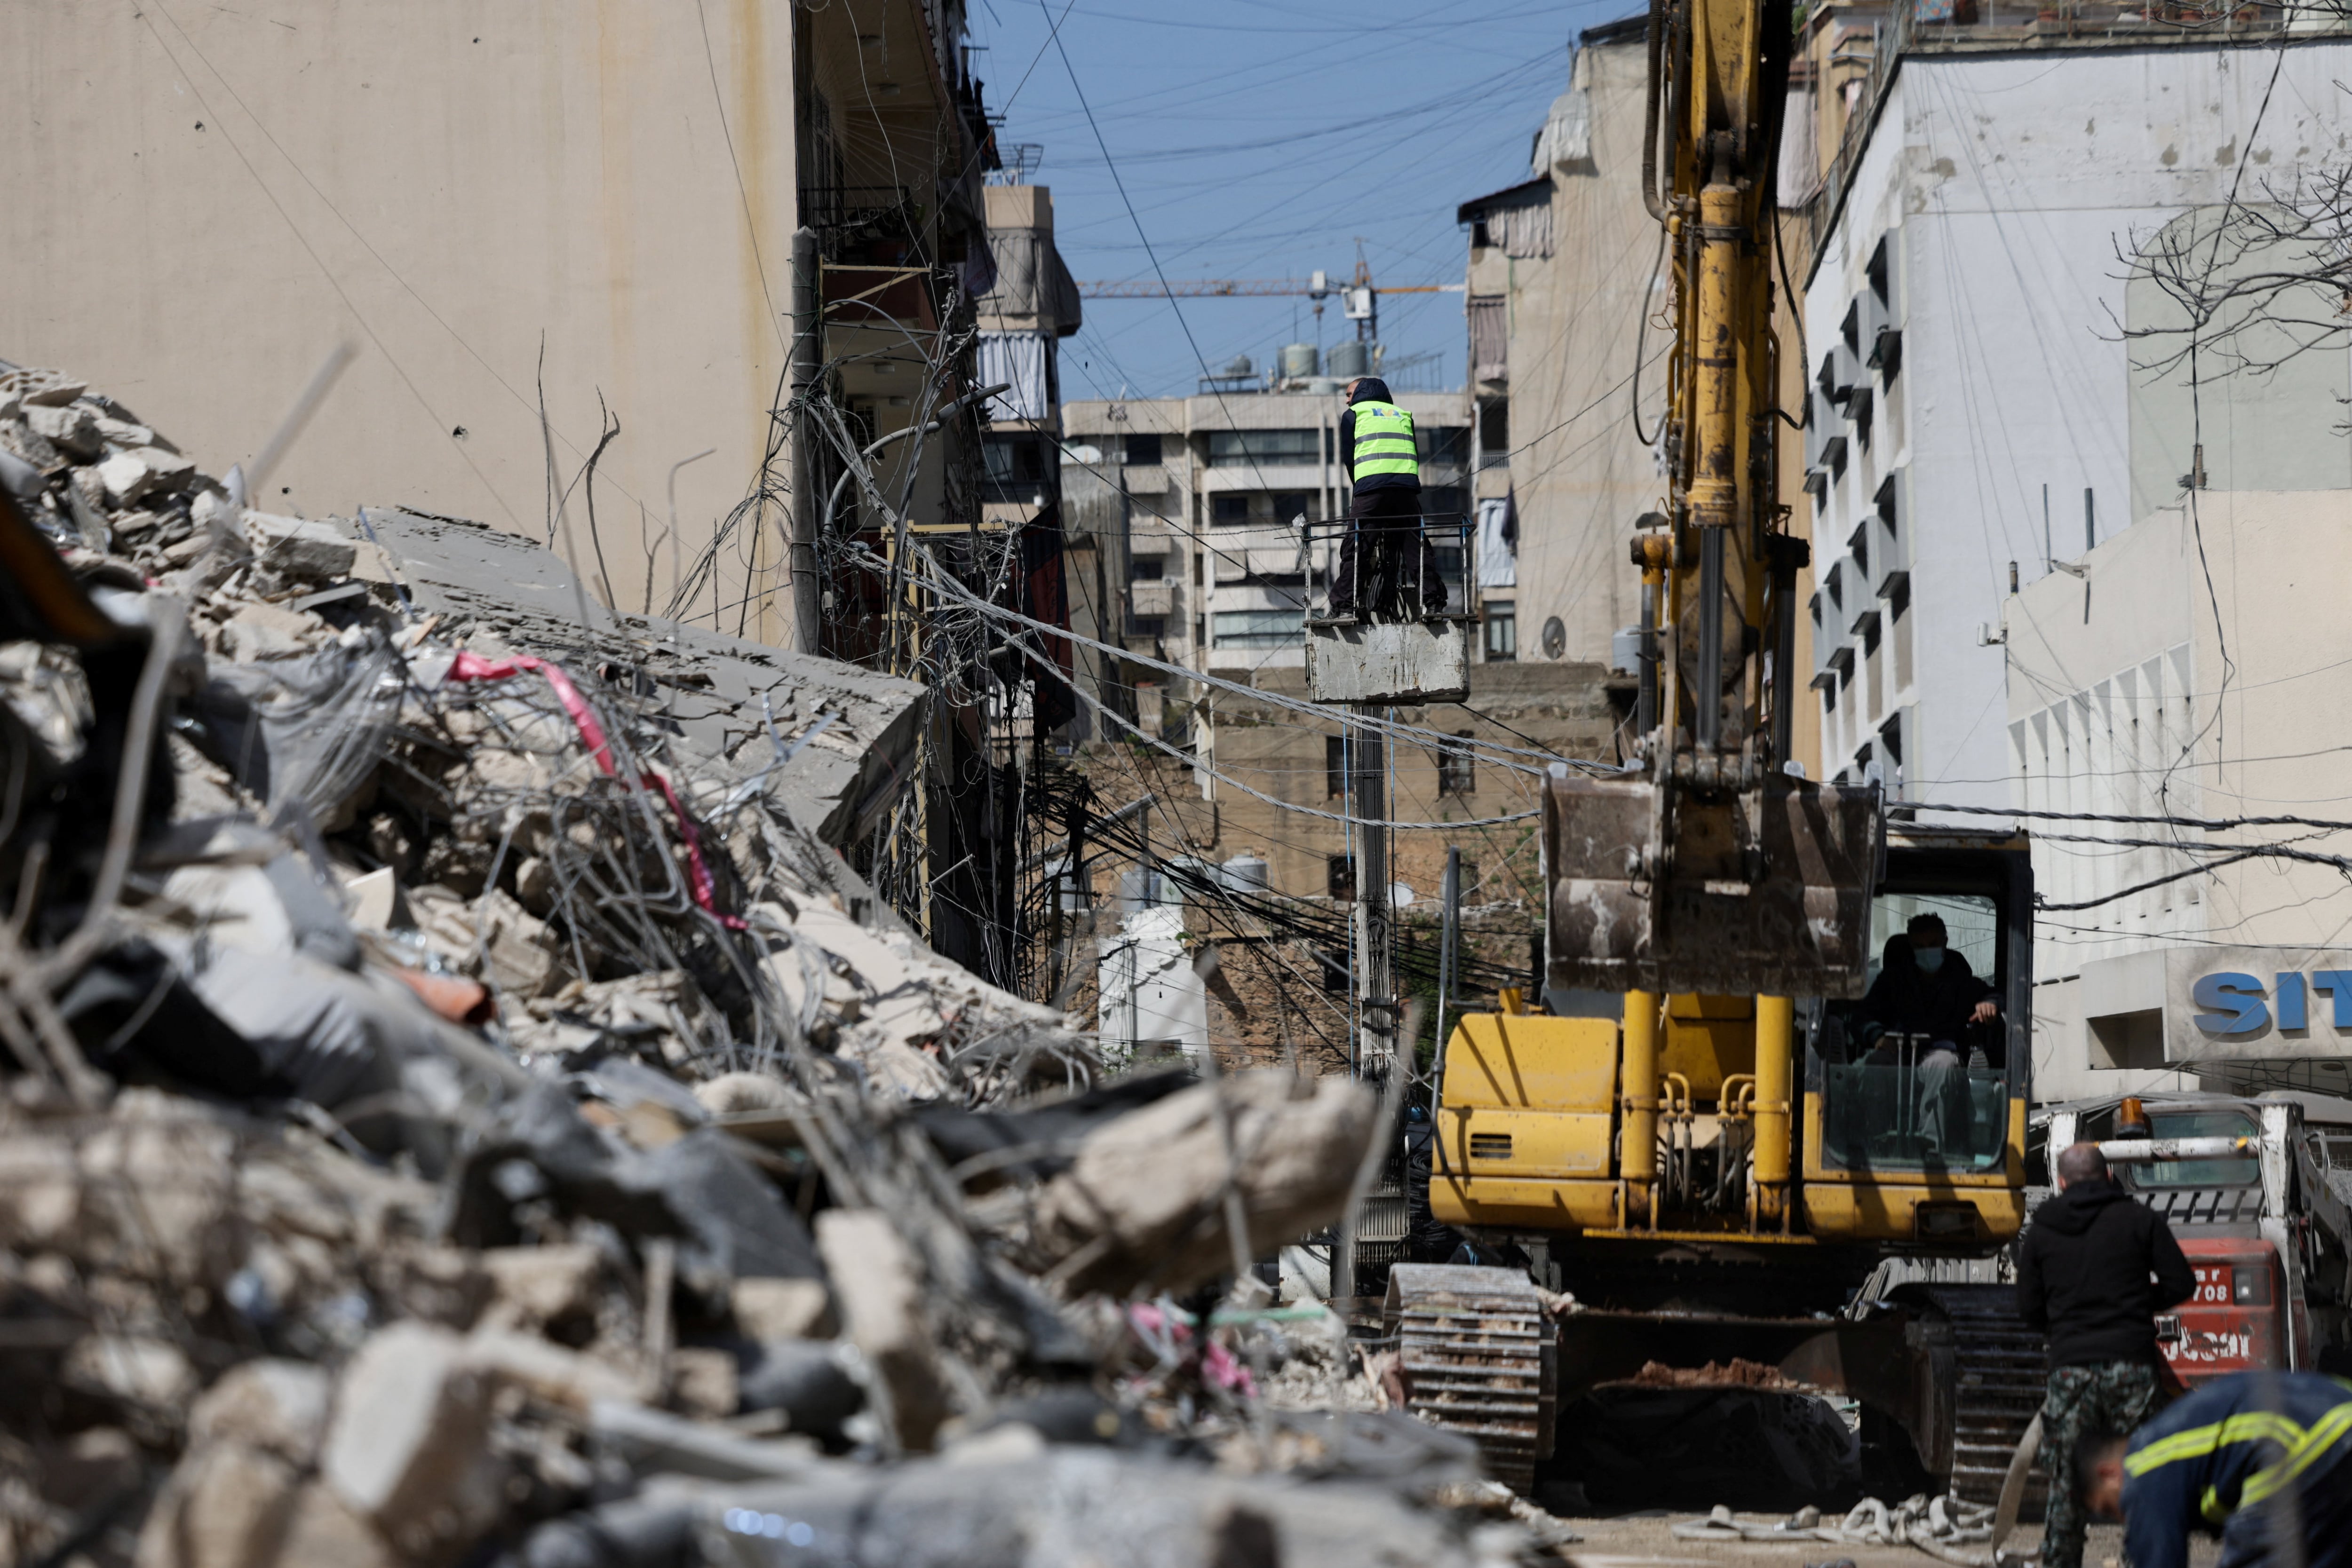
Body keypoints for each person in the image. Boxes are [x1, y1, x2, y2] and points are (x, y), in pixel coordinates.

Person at [2015, 1140, 2197, 1568]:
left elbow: (2028, 1308)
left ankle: (2061, 1561)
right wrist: (2138, 1304)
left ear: (2062, 1182)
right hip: (2131, 1367)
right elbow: (2182, 1283)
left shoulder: (2041, 1232)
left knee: (2067, 1476)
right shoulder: (2140, 1220)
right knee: (2141, 1471)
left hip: (2071, 1370)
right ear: (2109, 1176)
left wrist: (2064, 1327)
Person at [2079, 1369, 2352, 1568]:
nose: (2123, 1520)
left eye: (2110, 1509)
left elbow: (2159, 1559)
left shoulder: (2142, 1467)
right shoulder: (2173, 1437)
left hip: (2305, 1442)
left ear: (2109, 1474)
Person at [1849, 912, 2001, 1154]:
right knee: (1873, 1064)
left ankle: (1929, 1148)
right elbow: (1861, 1017)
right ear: (1911, 947)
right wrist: (1877, 1036)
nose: (1927, 951)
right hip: (1898, 1059)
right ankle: (1876, 1142)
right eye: (1919, 946)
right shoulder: (1893, 980)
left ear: (1945, 943)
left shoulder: (1960, 980)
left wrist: (1990, 1004)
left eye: (1933, 944)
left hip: (1937, 1058)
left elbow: (1993, 996)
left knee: (1944, 1064)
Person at [1318, 376, 1445, 624]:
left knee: (1357, 546)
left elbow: (1349, 457)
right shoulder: (1402, 414)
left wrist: (1360, 488)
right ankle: (1433, 603)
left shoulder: (1354, 415)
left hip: (1371, 489)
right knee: (1416, 546)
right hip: (1406, 487)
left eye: (1349, 394)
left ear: (1361, 392)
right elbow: (1413, 453)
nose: (1347, 400)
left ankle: (1344, 606)